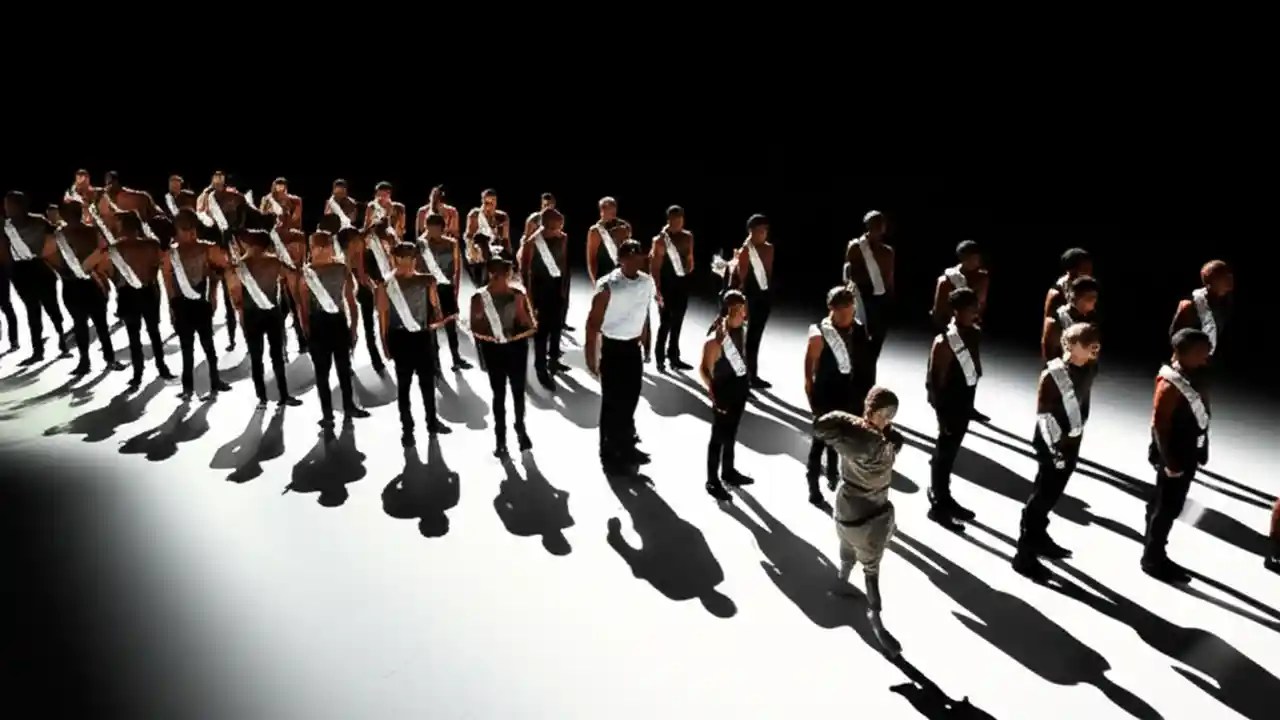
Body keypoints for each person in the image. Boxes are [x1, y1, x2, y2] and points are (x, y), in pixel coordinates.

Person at [814, 386, 905, 658]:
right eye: (886, 414)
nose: (889, 419)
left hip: (846, 506)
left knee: (847, 549)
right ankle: (876, 621)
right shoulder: (873, 443)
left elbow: (823, 426)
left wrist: (855, 422)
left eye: (892, 415)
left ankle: (840, 583)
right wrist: (859, 423)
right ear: (873, 410)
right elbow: (823, 426)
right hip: (869, 514)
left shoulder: (857, 436)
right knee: (871, 569)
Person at [1012, 322, 1102, 582]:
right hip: (1052, 442)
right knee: (1042, 495)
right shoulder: (1053, 375)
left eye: (1096, 340)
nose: (1095, 346)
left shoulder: (1088, 368)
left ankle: (1039, 537)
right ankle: (1025, 554)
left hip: (1072, 440)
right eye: (1088, 341)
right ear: (1070, 345)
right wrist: (1057, 449)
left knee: (1052, 494)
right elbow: (1044, 414)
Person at [1143, 328, 1214, 584]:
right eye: (1201, 353)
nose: (1206, 358)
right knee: (1167, 506)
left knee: (1166, 504)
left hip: (1187, 450)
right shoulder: (1170, 383)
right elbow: (1160, 424)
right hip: (1174, 454)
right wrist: (1170, 461)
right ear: (1182, 353)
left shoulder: (1193, 374)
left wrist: (1202, 447)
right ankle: (1153, 556)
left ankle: (1154, 546)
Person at [585, 240, 655, 473]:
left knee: (631, 398)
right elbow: (593, 323)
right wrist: (591, 356)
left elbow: (644, 311)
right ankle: (608, 450)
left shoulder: (646, 282)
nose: (636, 262)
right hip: (613, 348)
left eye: (639, 257)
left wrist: (647, 341)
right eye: (631, 257)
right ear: (621, 259)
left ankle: (626, 444)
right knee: (612, 402)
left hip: (632, 347)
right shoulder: (608, 285)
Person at [297, 218, 370, 430]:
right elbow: (302, 306)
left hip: (338, 322)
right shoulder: (305, 273)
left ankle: (349, 407)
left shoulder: (341, 268)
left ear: (330, 246)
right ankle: (327, 414)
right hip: (317, 324)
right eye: (317, 247)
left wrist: (354, 327)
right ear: (312, 248)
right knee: (322, 373)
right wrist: (306, 332)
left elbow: (350, 300)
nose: (321, 250)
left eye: (325, 246)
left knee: (344, 369)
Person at [378, 241, 453, 446]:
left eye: (411, 258)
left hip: (422, 338)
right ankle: (407, 429)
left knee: (428, 385)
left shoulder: (427, 280)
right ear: (395, 259)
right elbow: (383, 316)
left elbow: (435, 308)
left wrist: (439, 315)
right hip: (399, 338)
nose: (407, 262)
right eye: (403, 257)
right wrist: (384, 344)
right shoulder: (385, 285)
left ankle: (432, 422)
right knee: (404, 388)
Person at [804, 286, 873, 505]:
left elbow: (865, 365)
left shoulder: (859, 329)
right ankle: (813, 486)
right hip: (826, 396)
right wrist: (812, 401)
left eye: (850, 309)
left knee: (845, 442)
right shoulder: (819, 334)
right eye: (841, 310)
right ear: (831, 309)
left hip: (851, 395)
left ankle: (835, 474)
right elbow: (808, 372)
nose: (846, 314)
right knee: (819, 443)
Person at [224, 223, 302, 408]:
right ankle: (284, 395)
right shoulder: (275, 262)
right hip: (273, 314)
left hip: (251, 315)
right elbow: (292, 277)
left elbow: (235, 297)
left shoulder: (238, 266)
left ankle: (262, 398)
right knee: (277, 356)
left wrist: (241, 314)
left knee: (256, 356)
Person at [926, 287, 983, 530]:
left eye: (975, 308)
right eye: (970, 309)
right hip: (949, 405)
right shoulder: (945, 341)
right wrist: (941, 413)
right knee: (943, 455)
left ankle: (944, 496)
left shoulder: (973, 333)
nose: (974, 313)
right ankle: (938, 505)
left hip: (964, 402)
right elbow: (933, 381)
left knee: (950, 454)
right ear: (957, 311)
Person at [162, 208, 233, 401]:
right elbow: (168, 283)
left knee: (209, 346)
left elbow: (218, 272)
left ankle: (215, 380)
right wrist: (171, 307)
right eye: (185, 229)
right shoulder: (170, 255)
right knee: (187, 350)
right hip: (182, 305)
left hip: (201, 304)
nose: (190, 232)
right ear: (177, 230)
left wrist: (213, 294)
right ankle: (187, 388)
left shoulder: (206, 248)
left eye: (192, 228)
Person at [471, 253, 538, 456]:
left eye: (505, 271)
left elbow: (529, 324)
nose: (502, 275)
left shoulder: (518, 294)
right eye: (498, 272)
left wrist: (523, 319)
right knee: (498, 394)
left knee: (518, 392)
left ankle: (520, 428)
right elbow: (475, 327)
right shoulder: (479, 297)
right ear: (491, 273)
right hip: (494, 350)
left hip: (516, 348)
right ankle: (500, 438)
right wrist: (491, 339)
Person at [51, 199, 124, 375]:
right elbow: (104, 255)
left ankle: (85, 362)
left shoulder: (59, 235)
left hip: (72, 285)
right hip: (93, 282)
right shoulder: (92, 232)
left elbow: (54, 260)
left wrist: (65, 274)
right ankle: (109, 359)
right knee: (101, 325)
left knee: (80, 325)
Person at [105, 210, 175, 389]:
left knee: (133, 336)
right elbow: (160, 266)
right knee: (154, 332)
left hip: (127, 294)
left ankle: (138, 373)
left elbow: (110, 273)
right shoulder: (151, 244)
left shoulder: (115, 248)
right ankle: (162, 367)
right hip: (148, 291)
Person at [2, 191, 67, 365]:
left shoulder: (39, 221)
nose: (6, 208)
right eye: (5, 204)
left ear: (21, 205)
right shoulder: (5, 227)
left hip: (40, 266)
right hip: (20, 271)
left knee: (51, 306)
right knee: (32, 310)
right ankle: (38, 351)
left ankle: (62, 340)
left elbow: (57, 236)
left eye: (10, 204)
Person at [701, 290, 754, 501]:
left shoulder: (742, 330)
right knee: (718, 438)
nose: (744, 314)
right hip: (723, 392)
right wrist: (715, 396)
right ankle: (712, 480)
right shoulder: (716, 340)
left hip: (739, 390)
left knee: (731, 434)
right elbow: (705, 370)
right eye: (740, 310)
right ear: (730, 311)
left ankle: (728, 471)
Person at [519, 207, 569, 389]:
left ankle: (553, 361)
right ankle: (540, 368)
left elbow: (563, 265)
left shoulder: (562, 238)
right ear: (546, 225)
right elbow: (525, 273)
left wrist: (563, 290)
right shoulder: (531, 243)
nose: (559, 230)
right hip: (538, 292)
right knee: (541, 334)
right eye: (556, 226)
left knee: (556, 329)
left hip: (556, 291)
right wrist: (530, 302)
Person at [844, 210, 895, 384]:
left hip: (881, 300)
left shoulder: (888, 252)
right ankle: (858, 382)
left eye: (881, 225)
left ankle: (868, 381)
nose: (878, 229)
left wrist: (889, 301)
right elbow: (849, 275)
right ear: (867, 227)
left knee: (875, 346)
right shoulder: (857, 247)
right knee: (859, 344)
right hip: (861, 299)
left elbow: (889, 278)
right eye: (874, 225)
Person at [415, 212, 470, 372]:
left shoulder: (451, 243)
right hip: (429, 288)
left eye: (435, 228)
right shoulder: (421, 245)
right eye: (429, 228)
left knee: (450, 325)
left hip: (446, 287)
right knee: (432, 326)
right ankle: (435, 362)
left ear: (441, 228)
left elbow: (456, 268)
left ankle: (456, 358)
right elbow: (418, 267)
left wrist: (455, 288)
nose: (431, 231)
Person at [731, 214, 775, 388]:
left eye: (766, 230)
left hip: (764, 296)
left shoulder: (769, 248)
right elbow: (741, 281)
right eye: (760, 230)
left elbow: (768, 274)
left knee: (755, 338)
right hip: (749, 297)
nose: (764, 233)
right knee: (746, 339)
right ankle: (744, 377)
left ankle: (752, 375)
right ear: (751, 231)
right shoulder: (745, 251)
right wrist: (744, 305)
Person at [651, 205, 695, 372]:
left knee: (678, 322)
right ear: (668, 220)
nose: (677, 223)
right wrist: (657, 290)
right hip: (666, 284)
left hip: (681, 284)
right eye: (674, 220)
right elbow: (654, 268)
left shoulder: (688, 237)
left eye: (680, 219)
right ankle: (660, 357)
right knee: (665, 322)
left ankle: (674, 356)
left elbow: (690, 258)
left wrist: (689, 266)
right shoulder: (660, 240)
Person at [523, 193, 574, 332]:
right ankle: (535, 322)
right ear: (541, 204)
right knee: (537, 294)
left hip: (555, 258)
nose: (548, 207)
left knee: (561, 292)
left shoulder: (557, 217)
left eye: (550, 205)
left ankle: (560, 321)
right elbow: (527, 239)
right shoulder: (534, 219)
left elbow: (560, 237)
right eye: (545, 205)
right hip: (539, 258)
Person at [1170, 260, 1233, 357]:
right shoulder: (1191, 304)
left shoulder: (1226, 301)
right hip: (1193, 360)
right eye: (1222, 274)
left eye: (1229, 273)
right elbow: (1177, 338)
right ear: (1211, 279)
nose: (1229, 277)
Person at [931, 240, 988, 329]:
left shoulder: (981, 278)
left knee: (969, 341)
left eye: (977, 258)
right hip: (951, 325)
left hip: (971, 324)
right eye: (972, 258)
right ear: (963, 258)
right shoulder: (947, 279)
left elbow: (981, 303)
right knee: (954, 342)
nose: (976, 262)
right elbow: (939, 309)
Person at [1041, 276, 1099, 363]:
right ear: (1077, 297)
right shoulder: (1056, 321)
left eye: (1095, 299)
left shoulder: (1089, 320)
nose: (1093, 303)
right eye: (1090, 298)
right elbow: (1050, 359)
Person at [464, 189, 510, 285]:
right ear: (482, 201)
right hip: (477, 249)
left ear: (496, 202)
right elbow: (469, 237)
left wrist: (510, 255)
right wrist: (473, 252)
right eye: (486, 202)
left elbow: (505, 239)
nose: (489, 205)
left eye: (492, 202)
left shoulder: (502, 216)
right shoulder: (475, 215)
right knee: (482, 241)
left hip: (495, 248)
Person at [586, 196, 631, 286]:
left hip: (622, 272)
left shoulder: (625, 226)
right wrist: (594, 280)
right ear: (601, 210)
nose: (612, 212)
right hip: (603, 273)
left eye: (613, 208)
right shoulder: (595, 231)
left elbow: (629, 251)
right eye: (608, 209)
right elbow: (591, 258)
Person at [1044, 248, 1093, 318]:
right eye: (1085, 269)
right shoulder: (1056, 293)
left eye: (1090, 269)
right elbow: (1050, 323)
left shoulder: (1090, 288)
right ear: (1071, 269)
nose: (1089, 273)